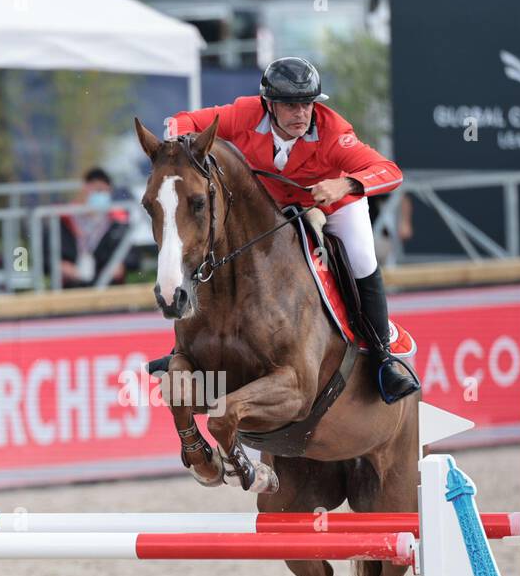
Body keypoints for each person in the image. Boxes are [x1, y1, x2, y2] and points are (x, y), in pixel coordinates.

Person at [165, 56, 418, 403]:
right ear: (269, 105)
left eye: (307, 104)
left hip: (332, 206)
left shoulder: (334, 133)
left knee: (360, 257)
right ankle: (191, 346)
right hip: (273, 208)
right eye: (290, 105)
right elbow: (184, 120)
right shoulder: (245, 113)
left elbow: (390, 171)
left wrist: (346, 185)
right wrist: (176, 151)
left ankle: (381, 356)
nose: (301, 113)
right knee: (216, 245)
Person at [58, 168, 133, 288]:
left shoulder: (117, 223)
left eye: (105, 192)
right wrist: (61, 266)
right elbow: (48, 257)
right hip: (73, 288)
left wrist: (120, 266)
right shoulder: (65, 220)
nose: (101, 195)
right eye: (98, 190)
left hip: (110, 288)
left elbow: (131, 258)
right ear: (84, 189)